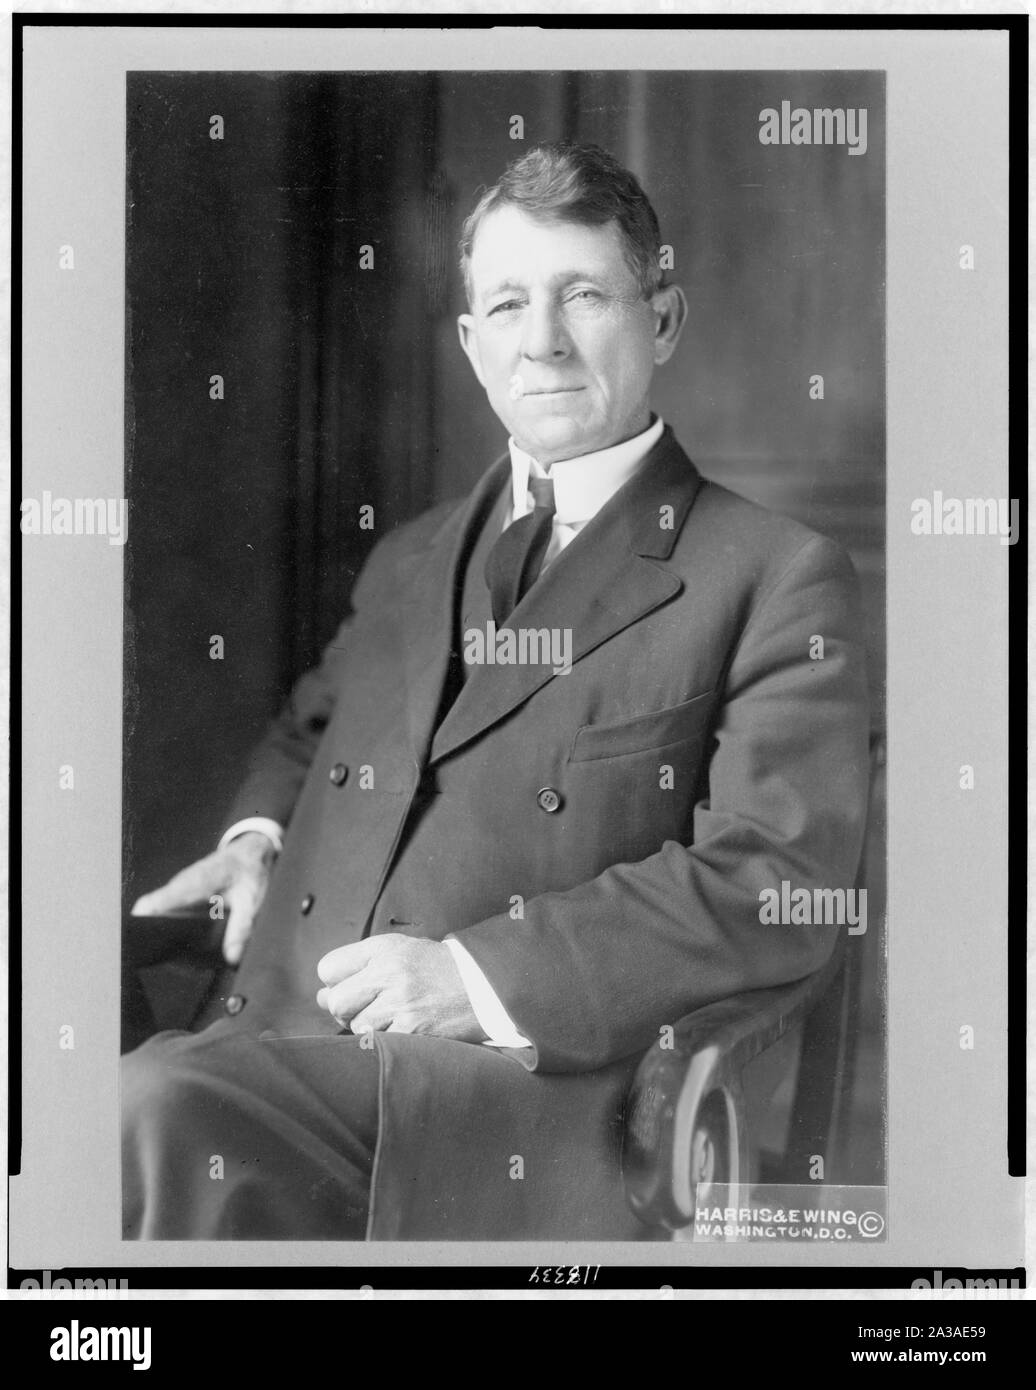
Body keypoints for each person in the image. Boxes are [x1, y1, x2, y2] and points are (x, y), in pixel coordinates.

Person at [123, 141, 870, 1240]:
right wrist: (253, 842)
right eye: (508, 304)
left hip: (501, 1095)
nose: (543, 341)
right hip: (267, 1031)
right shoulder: (413, 557)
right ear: (471, 344)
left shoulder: (774, 575)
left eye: (583, 296)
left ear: (660, 318)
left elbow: (773, 882)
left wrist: (472, 975)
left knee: (140, 1112)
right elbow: (308, 727)